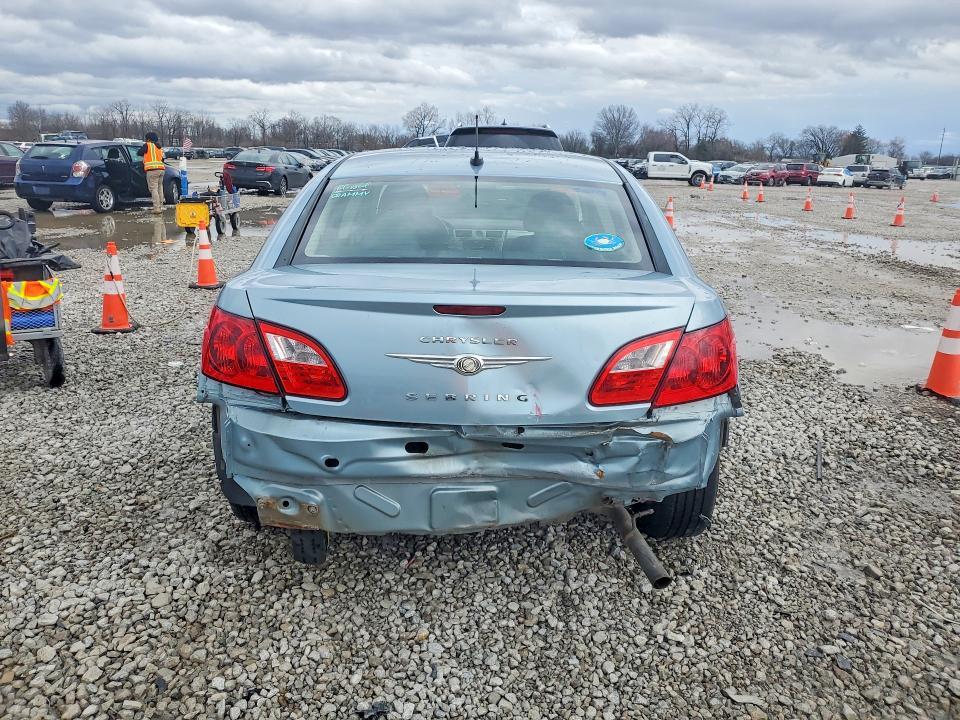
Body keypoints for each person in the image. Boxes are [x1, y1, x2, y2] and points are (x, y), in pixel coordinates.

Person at [137, 132, 166, 214]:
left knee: (153, 189)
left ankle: (156, 208)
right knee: (160, 187)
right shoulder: (159, 147)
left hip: (152, 170)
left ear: (149, 139)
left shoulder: (148, 145)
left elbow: (139, 152)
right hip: (161, 169)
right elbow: (163, 159)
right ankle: (160, 205)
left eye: (146, 138)